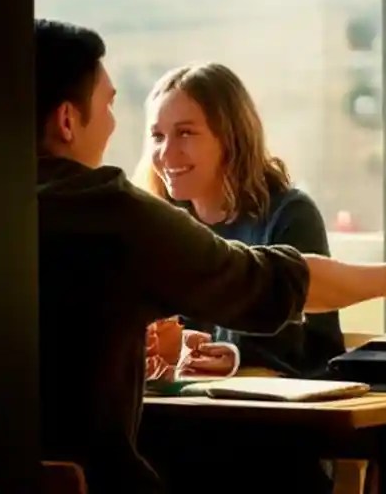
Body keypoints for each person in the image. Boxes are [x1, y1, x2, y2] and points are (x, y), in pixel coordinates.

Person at [34, 19, 386, 494]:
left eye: (186, 133)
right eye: (108, 105)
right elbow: (272, 282)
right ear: (67, 120)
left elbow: (303, 338)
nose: (116, 125)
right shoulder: (119, 215)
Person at [131, 62, 345, 494]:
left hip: (270, 436)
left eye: (185, 133)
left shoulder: (288, 215)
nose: (166, 153)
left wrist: (226, 353)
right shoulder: (159, 222)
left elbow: (288, 343)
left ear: (230, 136)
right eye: (157, 136)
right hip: (180, 428)